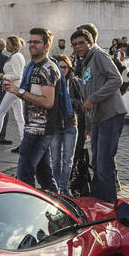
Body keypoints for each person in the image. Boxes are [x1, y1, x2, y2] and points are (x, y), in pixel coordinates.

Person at [71, 27, 125, 202]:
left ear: (90, 42)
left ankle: (109, 206)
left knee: (104, 165)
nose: (78, 47)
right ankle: (97, 202)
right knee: (96, 164)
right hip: (97, 118)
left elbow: (117, 79)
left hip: (110, 115)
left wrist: (93, 99)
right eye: (74, 45)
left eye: (81, 43)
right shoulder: (85, 60)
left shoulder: (99, 55)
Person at [5, 27, 60, 192]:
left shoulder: (48, 68)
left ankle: (27, 210)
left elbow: (48, 102)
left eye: (37, 42)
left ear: (47, 45)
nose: (32, 45)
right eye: (30, 41)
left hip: (40, 129)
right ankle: (59, 207)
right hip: (33, 127)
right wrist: (15, 89)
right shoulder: (33, 66)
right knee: (43, 174)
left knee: (24, 174)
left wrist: (18, 91)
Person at [50, 53, 85, 195]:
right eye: (59, 67)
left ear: (69, 68)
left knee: (68, 160)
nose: (62, 70)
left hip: (71, 125)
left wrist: (68, 101)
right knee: (55, 159)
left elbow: (83, 103)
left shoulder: (74, 82)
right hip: (56, 126)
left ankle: (63, 188)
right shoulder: (52, 82)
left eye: (65, 67)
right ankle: (56, 188)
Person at [0, 36, 25, 150]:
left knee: (0, 113)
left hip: (13, 88)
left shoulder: (15, 57)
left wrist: (2, 76)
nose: (6, 46)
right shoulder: (16, 56)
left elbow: (17, 75)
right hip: (15, 87)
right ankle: (24, 142)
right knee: (19, 116)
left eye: (8, 44)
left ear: (14, 45)